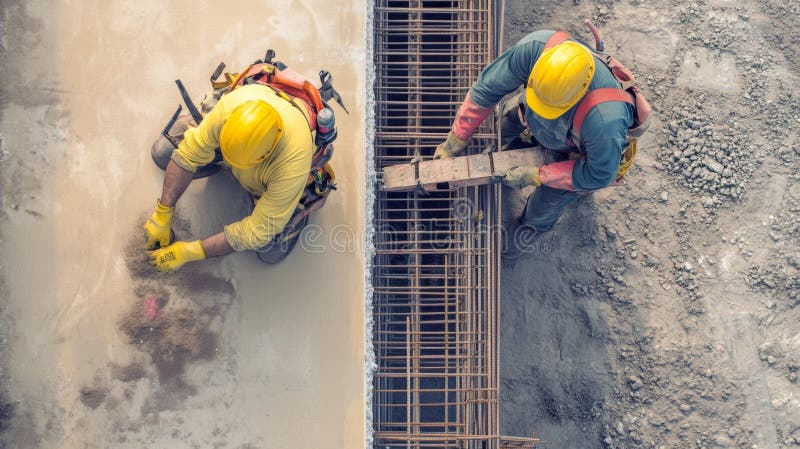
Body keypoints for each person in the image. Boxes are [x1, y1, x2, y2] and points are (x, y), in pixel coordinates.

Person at [433, 30, 637, 257]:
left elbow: (599, 175)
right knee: (510, 118)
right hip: (535, 118)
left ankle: (528, 229)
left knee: (546, 203)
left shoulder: (605, 122)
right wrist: (457, 137)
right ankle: (509, 147)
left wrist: (537, 176)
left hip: (576, 151)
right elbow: (486, 90)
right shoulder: (535, 48)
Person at [144, 83, 313, 272]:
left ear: (264, 156)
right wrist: (163, 213)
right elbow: (187, 155)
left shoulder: (293, 162)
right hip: (235, 131)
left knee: (268, 249)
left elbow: (255, 232)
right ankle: (215, 147)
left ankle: (294, 213)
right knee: (163, 153)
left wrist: (191, 251)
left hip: (280, 174)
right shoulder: (231, 107)